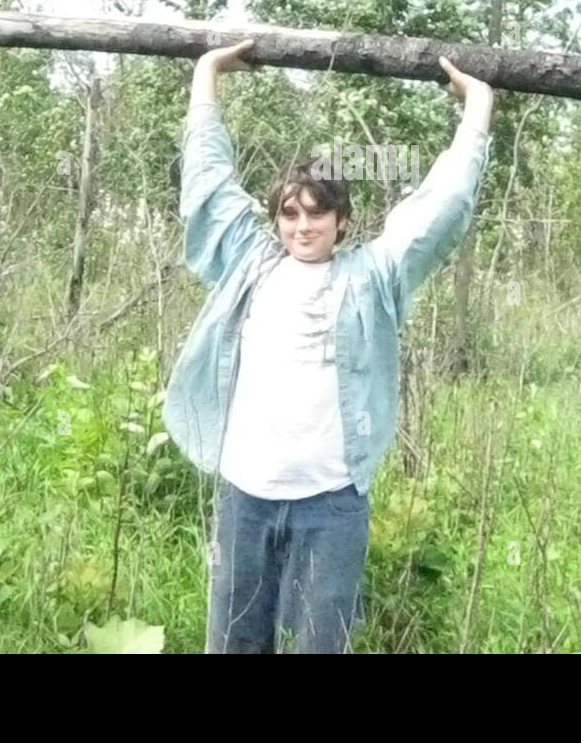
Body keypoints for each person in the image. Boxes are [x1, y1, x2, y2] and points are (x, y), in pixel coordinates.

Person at [164, 37, 493, 653]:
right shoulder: (250, 263)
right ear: (276, 220)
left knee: (321, 646)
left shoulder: (370, 277)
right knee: (235, 644)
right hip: (246, 498)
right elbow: (207, 182)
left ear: (342, 221)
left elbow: (438, 211)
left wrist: (477, 107)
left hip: (331, 505)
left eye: (317, 214)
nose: (303, 226)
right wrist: (207, 73)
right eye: (290, 214)